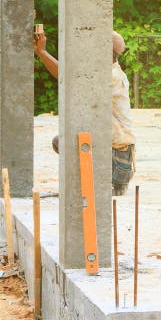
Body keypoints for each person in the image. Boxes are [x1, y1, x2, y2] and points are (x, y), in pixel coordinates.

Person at [34, 29, 136, 196]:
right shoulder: (107, 72)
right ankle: (97, 182)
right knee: (61, 141)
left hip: (117, 161)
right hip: (117, 157)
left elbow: (67, 78)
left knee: (64, 142)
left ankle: (106, 184)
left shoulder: (111, 76)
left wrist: (42, 52)